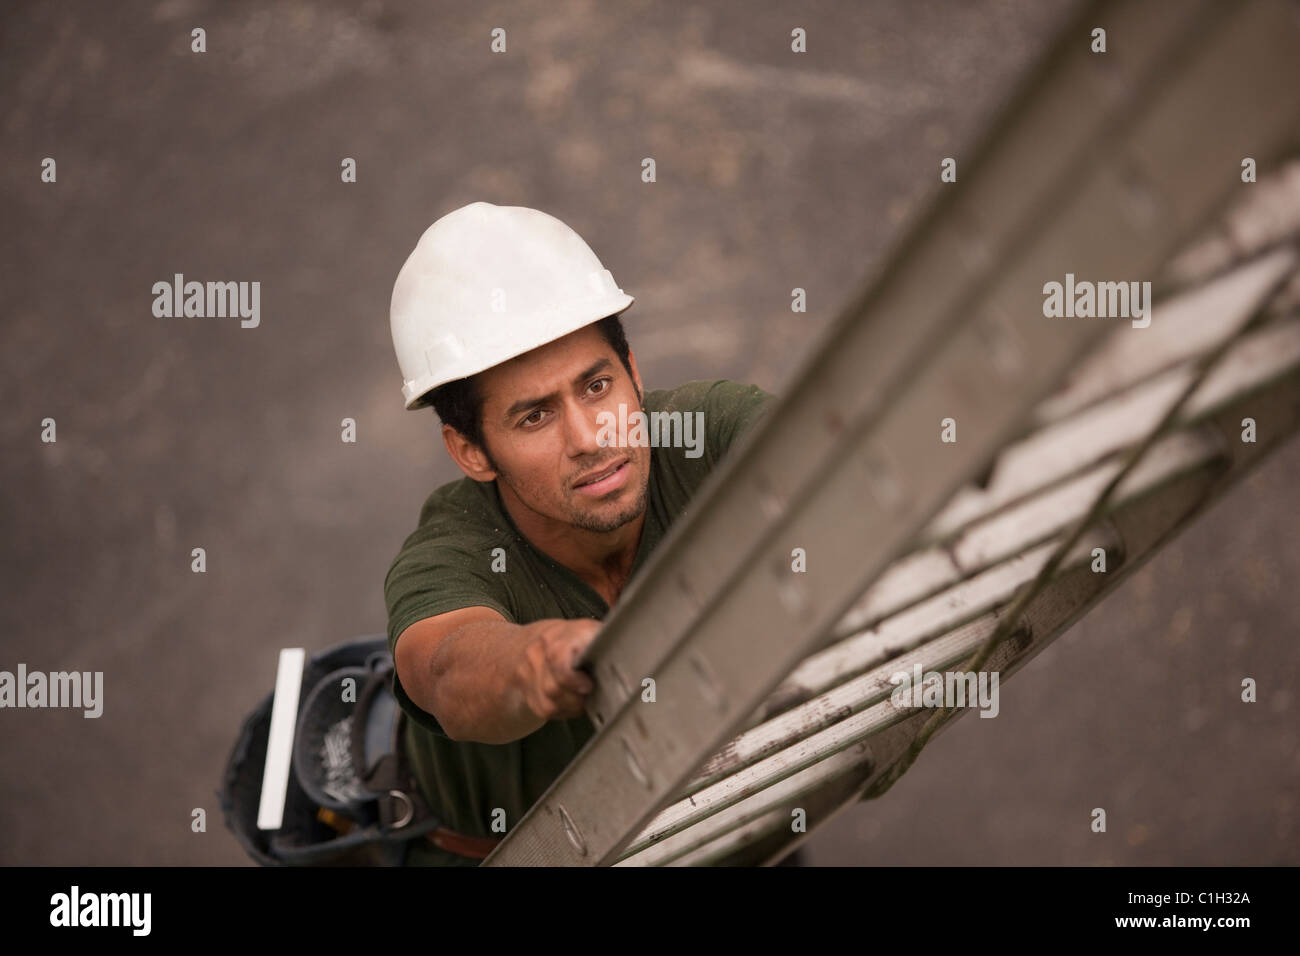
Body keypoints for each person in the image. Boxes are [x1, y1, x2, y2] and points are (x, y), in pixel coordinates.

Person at [384, 202, 774, 865]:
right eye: (535, 417)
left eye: (597, 386)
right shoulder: (452, 551)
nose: (593, 439)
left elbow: (833, 454)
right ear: (471, 450)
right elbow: (445, 669)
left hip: (717, 816)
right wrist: (536, 663)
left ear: (634, 373)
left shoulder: (708, 432)